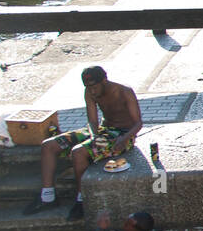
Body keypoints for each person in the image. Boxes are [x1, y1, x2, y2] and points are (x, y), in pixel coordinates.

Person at [26, 67, 142, 221]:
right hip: (102, 130)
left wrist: (125, 138)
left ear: (104, 81)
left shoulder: (124, 92)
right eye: (88, 88)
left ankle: (81, 200)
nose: (92, 92)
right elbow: (92, 121)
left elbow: (138, 123)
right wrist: (94, 135)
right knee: (49, 145)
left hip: (123, 134)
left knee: (78, 152)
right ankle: (48, 197)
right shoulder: (90, 92)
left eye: (94, 87)